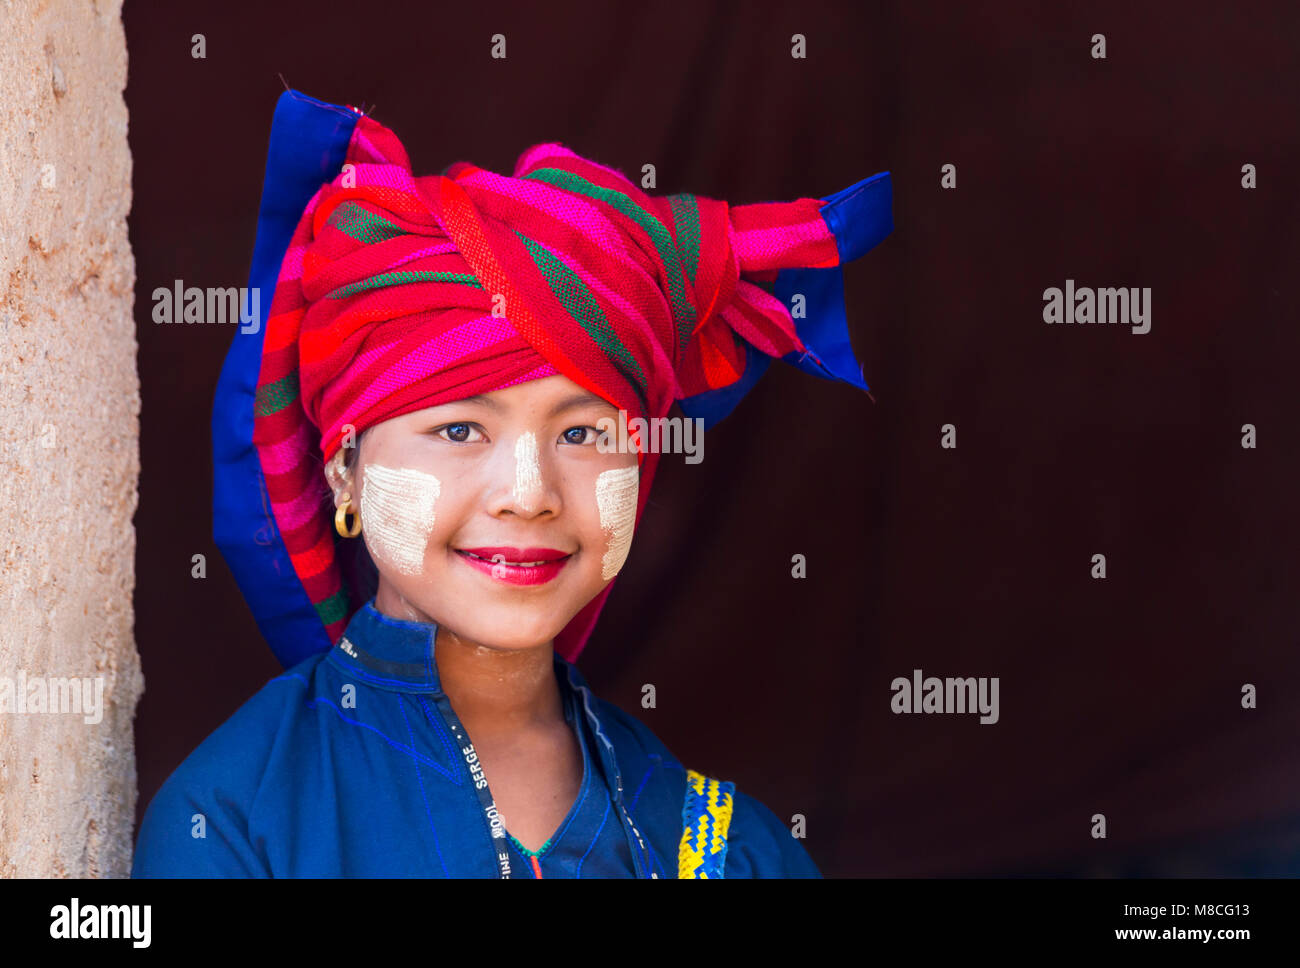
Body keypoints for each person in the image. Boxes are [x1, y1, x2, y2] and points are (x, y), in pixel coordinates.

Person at [131, 88, 893, 878]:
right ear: (343, 472)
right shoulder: (230, 827)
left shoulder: (731, 850)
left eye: (582, 433)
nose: (529, 493)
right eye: (460, 430)